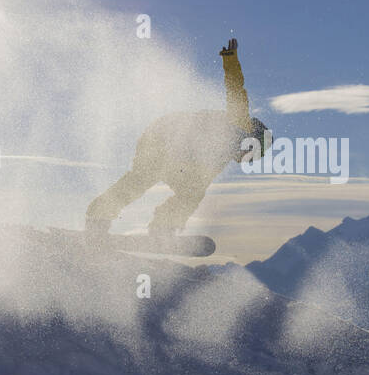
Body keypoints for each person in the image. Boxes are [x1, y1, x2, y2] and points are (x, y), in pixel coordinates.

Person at [86, 39, 270, 236]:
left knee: (192, 193)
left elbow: (198, 183)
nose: (243, 160)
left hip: (178, 157)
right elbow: (235, 89)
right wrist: (230, 59)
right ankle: (98, 219)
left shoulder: (223, 156)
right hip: (161, 139)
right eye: (249, 155)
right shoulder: (238, 121)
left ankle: (162, 228)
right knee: (140, 180)